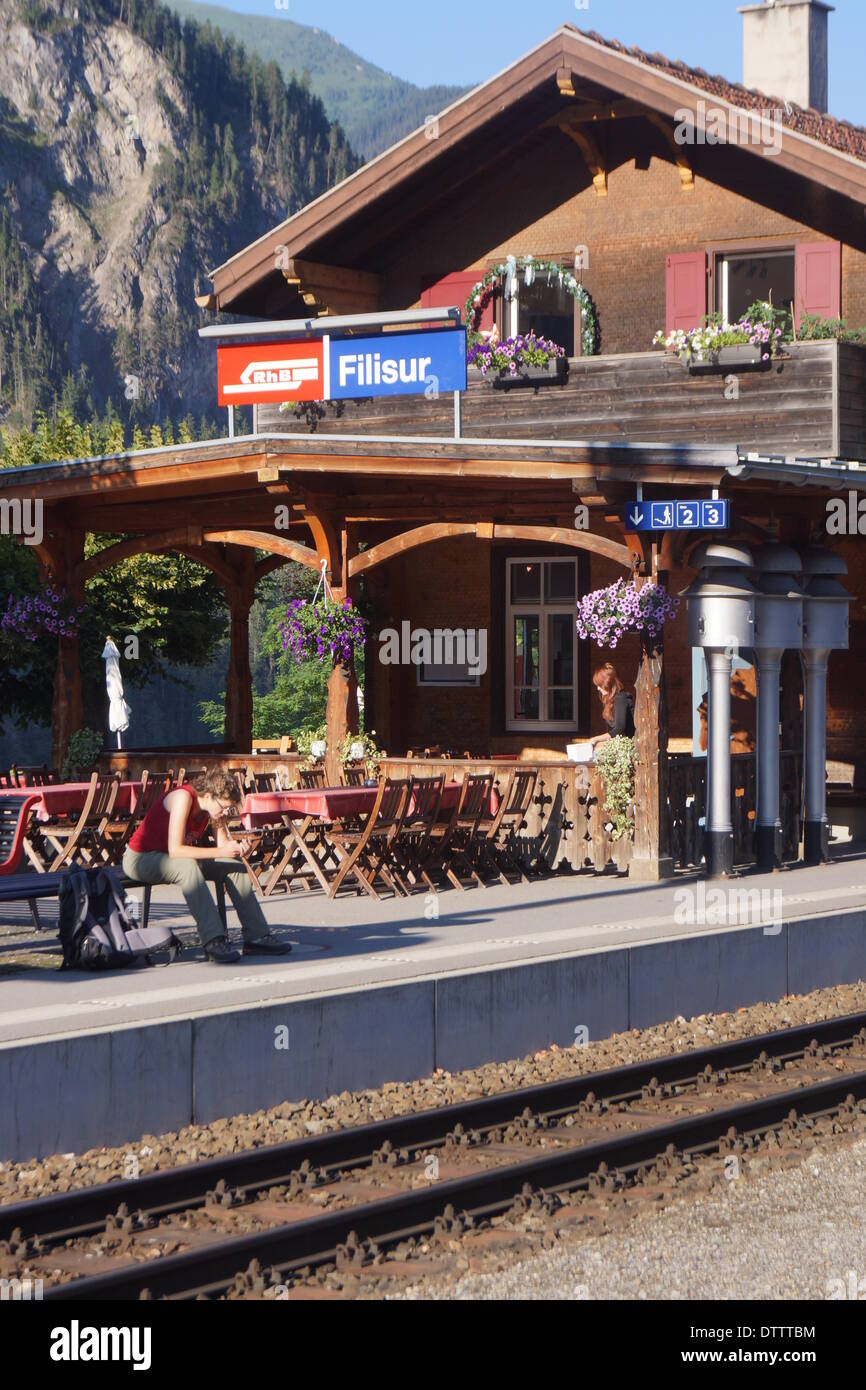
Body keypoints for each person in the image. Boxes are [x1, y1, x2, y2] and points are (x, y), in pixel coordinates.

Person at [123, 769, 291, 965]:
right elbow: (176, 850)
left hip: (170, 859)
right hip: (141, 859)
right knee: (186, 867)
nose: (226, 812)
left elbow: (222, 847)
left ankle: (257, 937)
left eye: (229, 808)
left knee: (232, 865)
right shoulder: (183, 798)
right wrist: (222, 852)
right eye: (224, 807)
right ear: (208, 795)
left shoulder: (213, 808)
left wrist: (237, 849)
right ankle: (213, 940)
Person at [589, 662, 635, 748]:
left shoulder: (621, 698)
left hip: (628, 748)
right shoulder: (610, 700)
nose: (598, 688)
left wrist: (596, 739)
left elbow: (619, 729)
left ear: (607, 683)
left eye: (600, 685)